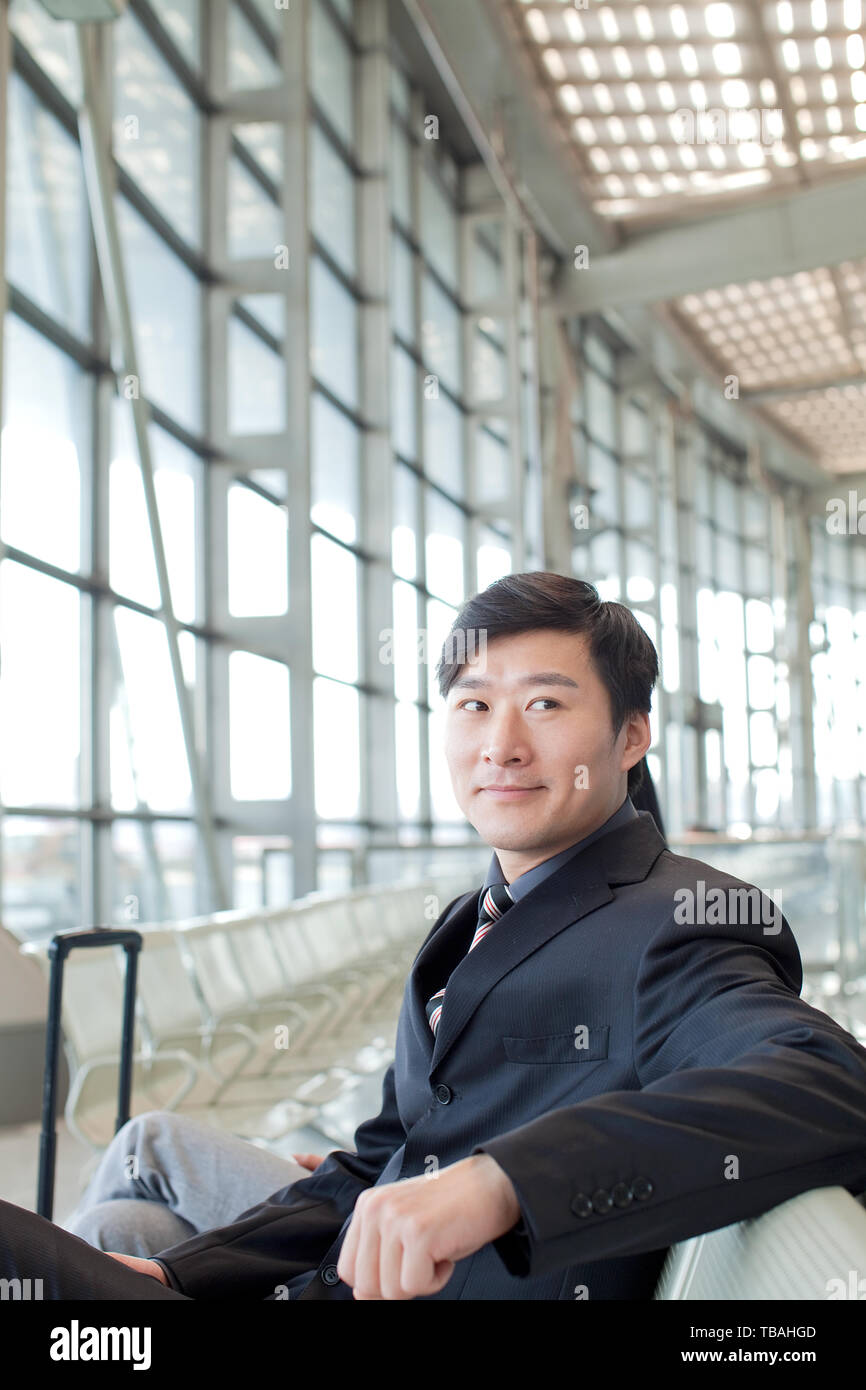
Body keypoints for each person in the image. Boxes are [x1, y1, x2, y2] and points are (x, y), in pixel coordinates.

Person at [2, 571, 865, 1301]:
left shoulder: (679, 920)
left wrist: (504, 1182)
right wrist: (178, 1278)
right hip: (365, 1266)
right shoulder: (470, 921)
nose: (502, 745)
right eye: (473, 705)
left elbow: (828, 1082)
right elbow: (388, 1153)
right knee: (129, 1235)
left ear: (631, 736)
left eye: (545, 705)